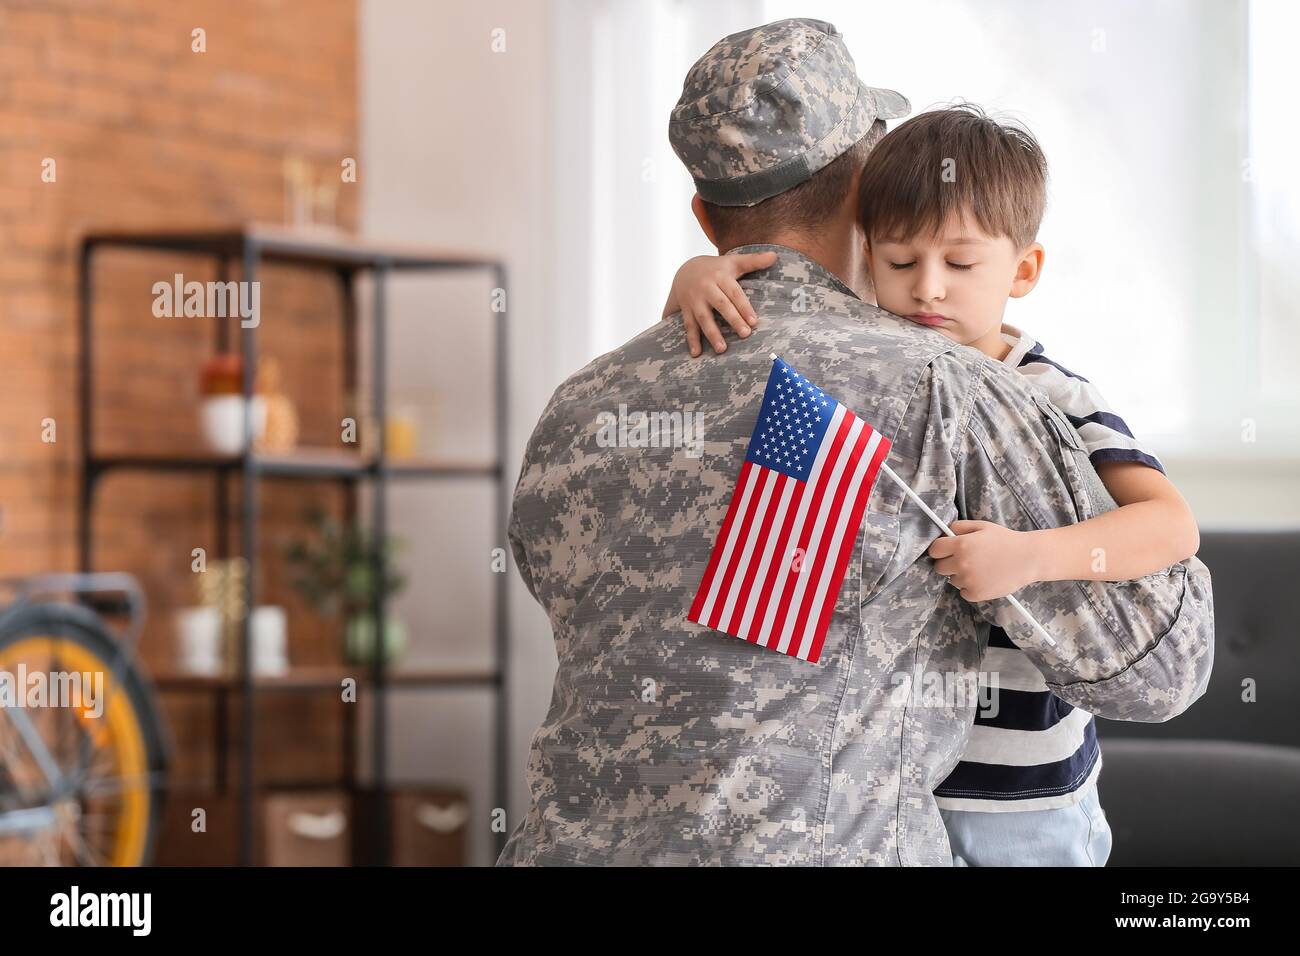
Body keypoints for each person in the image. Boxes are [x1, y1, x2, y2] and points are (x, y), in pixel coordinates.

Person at [497, 18, 1214, 866]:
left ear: (702, 214)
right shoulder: (942, 386)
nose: (930, 285)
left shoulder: (578, 405)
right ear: (866, 188)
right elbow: (1163, 668)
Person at [662, 103, 1202, 866]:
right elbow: (751, 347)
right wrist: (696, 274)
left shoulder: (1051, 393)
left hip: (1025, 796)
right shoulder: (870, 368)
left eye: (960, 263)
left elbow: (1170, 527)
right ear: (864, 256)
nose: (929, 291)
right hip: (894, 788)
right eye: (901, 262)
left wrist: (1033, 556)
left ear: (1023, 270)